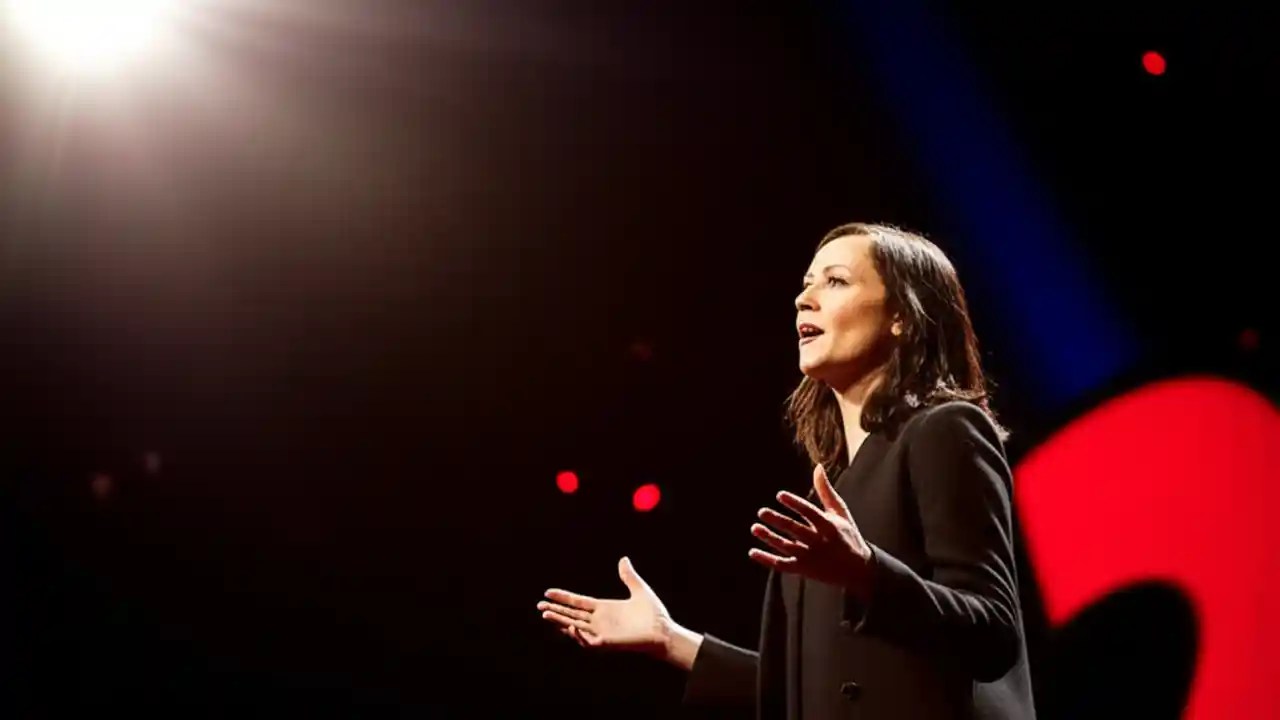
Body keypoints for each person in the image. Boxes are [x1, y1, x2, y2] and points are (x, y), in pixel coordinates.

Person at [536, 222, 1037, 719]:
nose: (804, 299)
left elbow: (993, 634)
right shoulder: (830, 500)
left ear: (902, 315)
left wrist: (867, 574)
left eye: (835, 281)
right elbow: (800, 696)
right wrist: (671, 641)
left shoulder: (945, 429)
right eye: (805, 284)